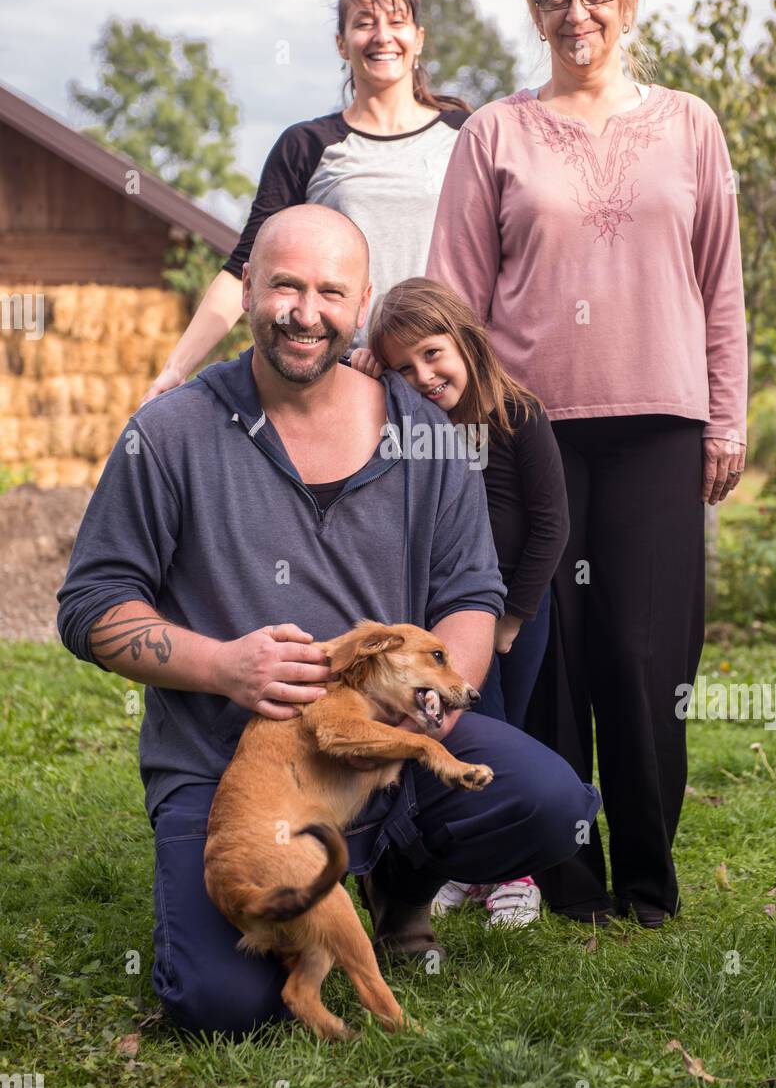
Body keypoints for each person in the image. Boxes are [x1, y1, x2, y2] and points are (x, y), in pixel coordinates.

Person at [56, 203, 601, 1040]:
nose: (304, 311)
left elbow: (470, 592)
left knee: (553, 804)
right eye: (284, 286)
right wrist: (219, 665)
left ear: (361, 305)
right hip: (231, 768)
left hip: (387, 741)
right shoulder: (170, 434)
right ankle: (274, 901)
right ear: (246, 294)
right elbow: (90, 604)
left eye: (329, 292)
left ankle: (398, 878)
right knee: (221, 1008)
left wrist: (435, 700)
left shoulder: (424, 435)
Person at [425, 0, 749, 930]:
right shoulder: (495, 133)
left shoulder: (691, 123)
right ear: (535, 9)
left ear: (628, 2)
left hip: (660, 421)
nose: (579, 10)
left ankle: (649, 887)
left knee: (647, 656)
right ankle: (570, 884)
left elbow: (721, 281)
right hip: (531, 431)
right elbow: (454, 294)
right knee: (549, 654)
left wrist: (726, 413)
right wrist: (456, 429)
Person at [140, 0, 471, 405]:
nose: (382, 36)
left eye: (396, 22)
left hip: (445, 375)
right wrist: (175, 369)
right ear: (342, 43)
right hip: (354, 377)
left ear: (419, 38)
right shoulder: (307, 145)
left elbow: (495, 255)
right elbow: (245, 263)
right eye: (364, 23)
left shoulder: (466, 134)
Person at [354, 276, 570, 929]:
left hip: (510, 618)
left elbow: (551, 523)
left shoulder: (515, 415)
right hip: (442, 617)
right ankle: (465, 867)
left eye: (432, 353)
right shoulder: (409, 431)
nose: (421, 374)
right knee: (449, 727)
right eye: (401, 366)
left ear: (464, 340)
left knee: (502, 732)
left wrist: (511, 618)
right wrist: (359, 366)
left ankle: (515, 873)